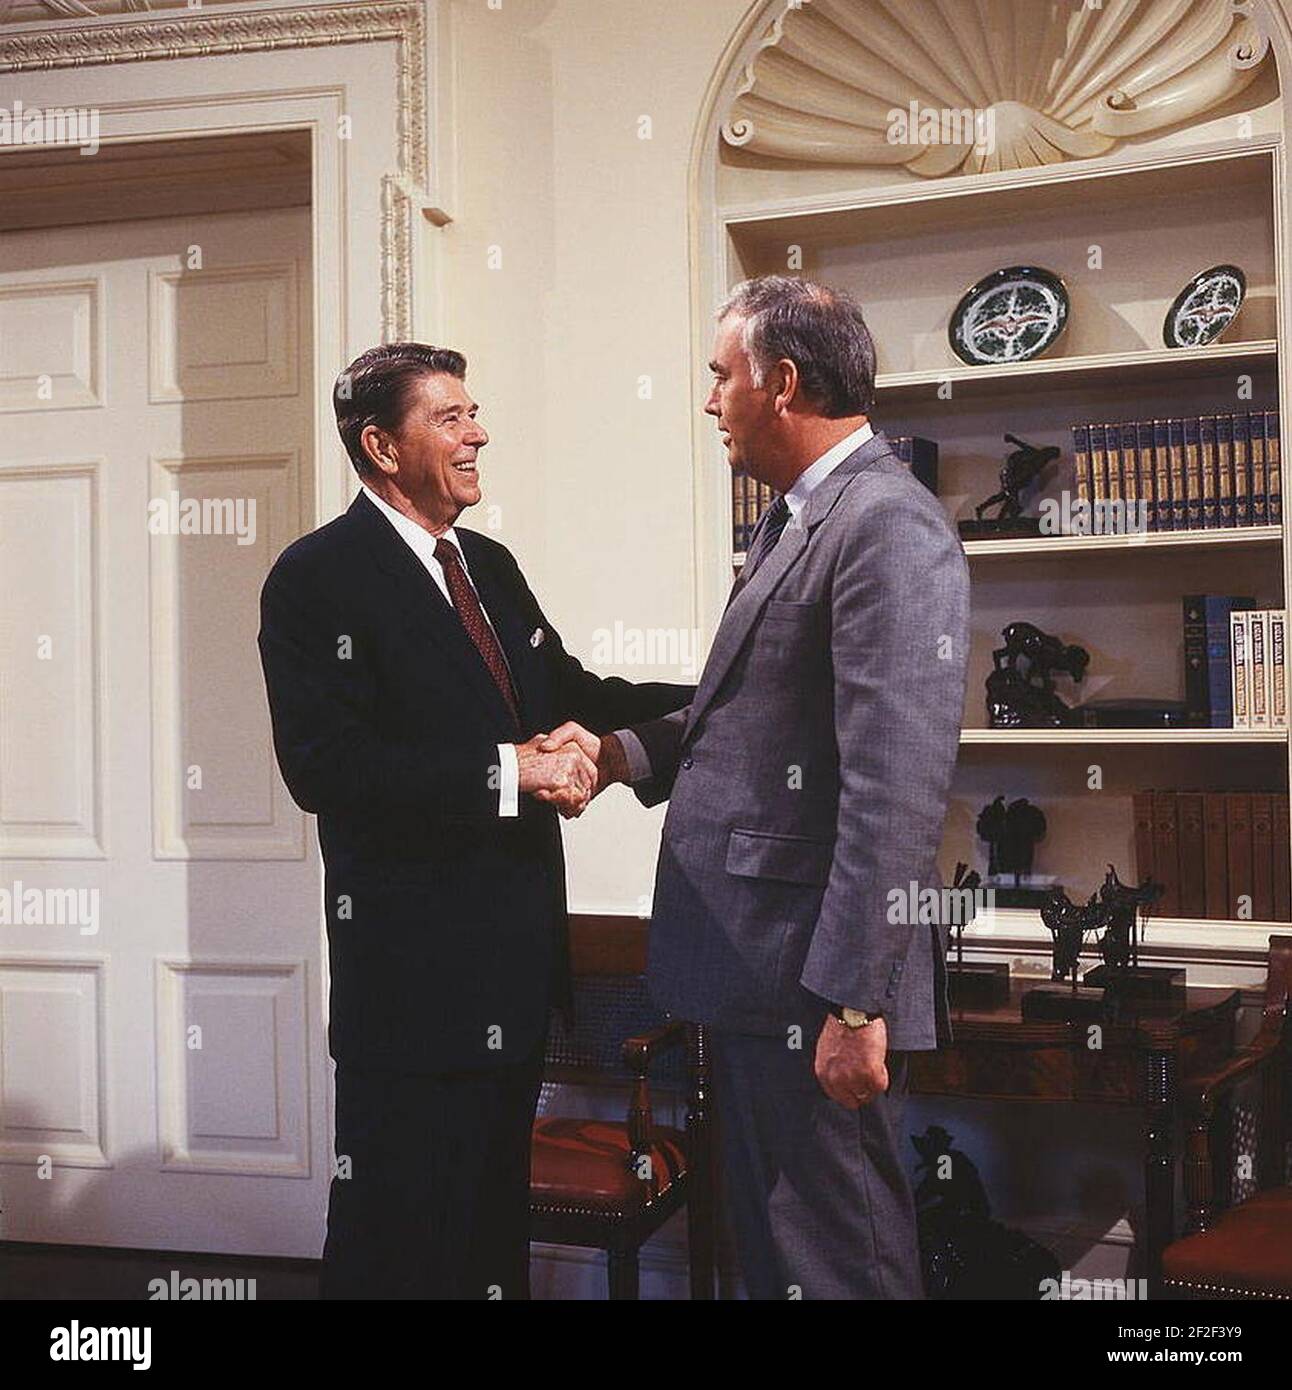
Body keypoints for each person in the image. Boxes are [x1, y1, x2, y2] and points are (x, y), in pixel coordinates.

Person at [545, 276, 970, 1299]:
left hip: (815, 984)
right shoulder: (796, 520)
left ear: (779, 383)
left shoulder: (884, 527)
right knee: (785, 1250)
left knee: (839, 1258)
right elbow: (739, 714)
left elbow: (894, 785)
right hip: (757, 975)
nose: (708, 402)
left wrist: (857, 1001)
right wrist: (615, 754)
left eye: (717, 376)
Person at [257, 342, 691, 1300]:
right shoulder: (314, 578)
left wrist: (725, 696)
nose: (477, 432)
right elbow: (325, 766)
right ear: (380, 444)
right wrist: (511, 773)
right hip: (409, 990)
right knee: (397, 1241)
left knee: (492, 1238)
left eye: (474, 411)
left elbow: (573, 694)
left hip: (517, 972)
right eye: (450, 417)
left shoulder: (487, 564)